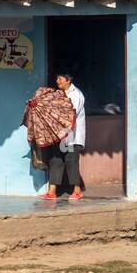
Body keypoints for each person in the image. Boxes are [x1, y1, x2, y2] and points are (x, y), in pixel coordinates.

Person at [40, 71, 85, 201]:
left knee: (71, 161)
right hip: (60, 134)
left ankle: (77, 190)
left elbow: (70, 114)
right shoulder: (59, 94)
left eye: (60, 79)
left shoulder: (76, 95)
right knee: (56, 160)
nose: (57, 81)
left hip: (71, 134)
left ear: (68, 80)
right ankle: (52, 192)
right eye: (57, 78)